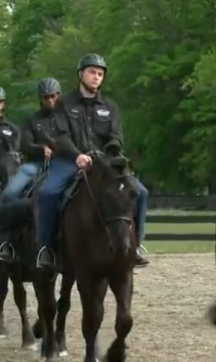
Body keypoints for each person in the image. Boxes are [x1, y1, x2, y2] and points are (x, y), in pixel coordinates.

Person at [35, 53, 150, 270]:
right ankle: (47, 248)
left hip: (103, 162)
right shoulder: (64, 104)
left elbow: (115, 136)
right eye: (92, 72)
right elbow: (60, 135)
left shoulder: (110, 106)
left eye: (100, 74)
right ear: (81, 75)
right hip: (69, 160)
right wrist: (77, 154)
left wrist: (111, 153)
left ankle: (136, 245)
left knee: (141, 192)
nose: (96, 77)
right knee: (48, 193)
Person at [0, 78, 62, 262]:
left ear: (59, 96)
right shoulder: (33, 120)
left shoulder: (68, 119)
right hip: (35, 165)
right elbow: (24, 144)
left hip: (63, 165)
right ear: (40, 99)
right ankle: (5, 242)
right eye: (46, 97)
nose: (50, 101)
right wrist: (41, 149)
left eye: (53, 96)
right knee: (9, 194)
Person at [0, 85, 21, 162]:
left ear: (4, 103)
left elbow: (16, 150)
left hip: (6, 166)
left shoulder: (12, 128)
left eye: (0, 101)